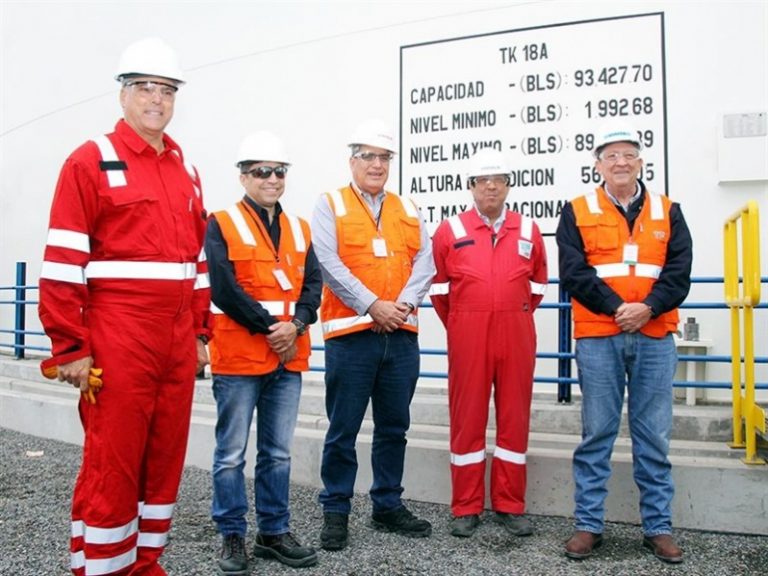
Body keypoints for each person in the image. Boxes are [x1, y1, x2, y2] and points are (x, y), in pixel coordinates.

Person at [38, 37, 210, 576]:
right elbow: (63, 262)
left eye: (166, 90)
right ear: (122, 95)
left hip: (177, 339)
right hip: (119, 333)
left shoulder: (186, 169)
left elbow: (197, 264)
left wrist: (202, 336)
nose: (156, 100)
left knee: (163, 459)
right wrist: (69, 344)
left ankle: (145, 563)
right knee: (112, 460)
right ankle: (103, 566)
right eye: (144, 88)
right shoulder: (89, 160)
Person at [556, 122, 692, 564]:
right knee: (596, 432)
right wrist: (620, 308)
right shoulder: (577, 209)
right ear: (597, 164)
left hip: (654, 336)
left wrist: (647, 308)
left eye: (628, 154)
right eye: (611, 155)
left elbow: (679, 273)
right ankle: (588, 525)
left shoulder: (668, 211)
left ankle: (658, 528)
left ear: (641, 161)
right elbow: (574, 273)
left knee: (654, 435)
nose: (620, 162)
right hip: (600, 336)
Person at [311, 118, 435, 551]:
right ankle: (336, 509)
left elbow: (426, 263)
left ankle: (386, 505)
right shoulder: (332, 204)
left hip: (400, 335)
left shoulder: (408, 208)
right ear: (352, 161)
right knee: (342, 429)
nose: (377, 164)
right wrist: (372, 305)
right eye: (368, 156)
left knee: (394, 428)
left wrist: (399, 305)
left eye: (384, 157)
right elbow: (327, 261)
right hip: (351, 337)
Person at [205, 131, 321, 573]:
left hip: (286, 357)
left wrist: (295, 325)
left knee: (278, 452)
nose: (271, 179)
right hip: (239, 358)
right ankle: (232, 534)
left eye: (279, 171)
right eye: (261, 171)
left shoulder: (299, 228)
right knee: (231, 452)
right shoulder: (222, 221)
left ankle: (274, 531)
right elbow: (223, 286)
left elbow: (313, 285)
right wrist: (270, 326)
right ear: (243, 176)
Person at [429, 148, 548, 538]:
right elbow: (440, 289)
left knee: (515, 418)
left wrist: (511, 313)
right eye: (483, 180)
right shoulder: (451, 230)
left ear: (509, 185)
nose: (491, 186)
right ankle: (466, 507)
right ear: (471, 187)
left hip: (516, 334)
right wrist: (465, 322)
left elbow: (537, 285)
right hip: (468, 336)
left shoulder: (529, 230)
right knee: (467, 420)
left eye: (498, 179)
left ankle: (510, 505)